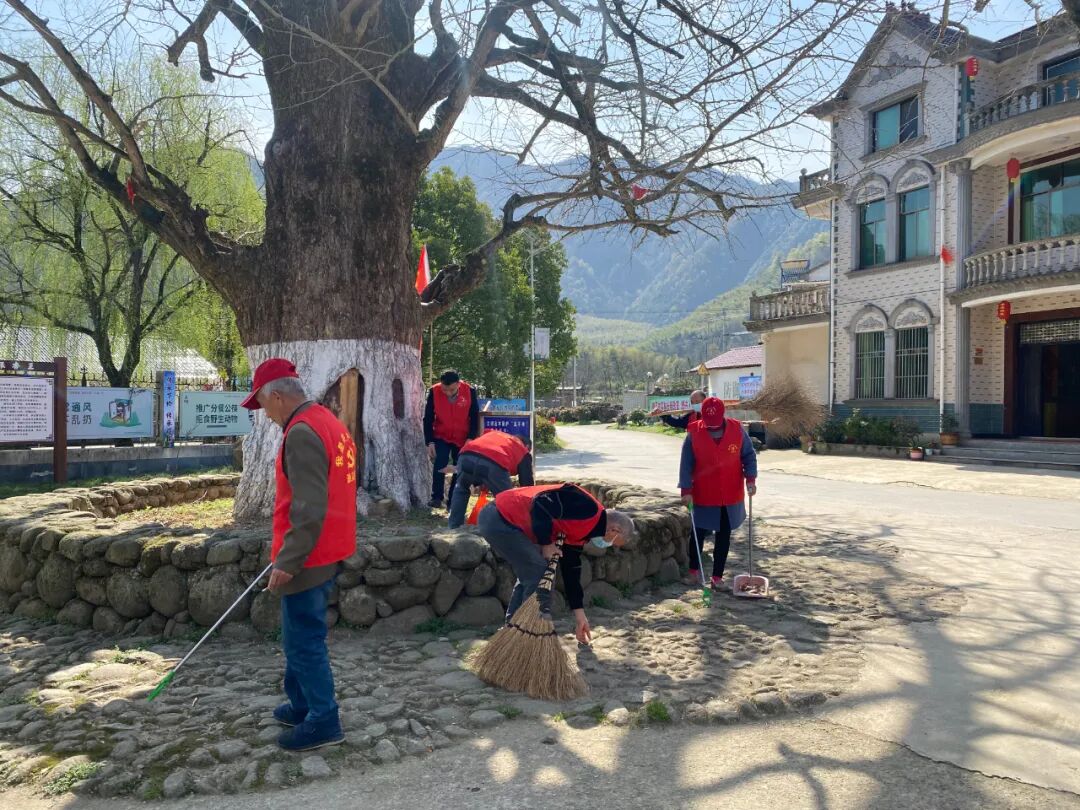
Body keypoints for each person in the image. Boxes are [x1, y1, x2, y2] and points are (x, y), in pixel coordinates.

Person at [242, 358, 358, 752]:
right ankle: (303, 703)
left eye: (262, 406)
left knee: (303, 641)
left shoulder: (303, 432)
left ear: (276, 396)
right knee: (300, 635)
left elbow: (309, 507)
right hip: (330, 545)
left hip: (310, 554)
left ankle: (324, 719)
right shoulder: (328, 422)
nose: (265, 416)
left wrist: (288, 561)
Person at [476, 483, 635, 644]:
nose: (610, 546)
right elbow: (541, 503)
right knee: (537, 570)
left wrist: (580, 617)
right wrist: (546, 543)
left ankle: (513, 630)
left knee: (532, 573)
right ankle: (526, 632)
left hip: (505, 521)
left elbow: (571, 571)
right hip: (499, 517)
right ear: (614, 530)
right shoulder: (587, 508)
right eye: (614, 543)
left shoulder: (583, 533)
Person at [677, 396, 757, 591]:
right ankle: (694, 572)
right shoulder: (694, 432)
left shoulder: (737, 430)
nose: (712, 427)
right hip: (704, 492)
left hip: (730, 493)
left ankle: (717, 577)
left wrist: (751, 479)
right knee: (698, 533)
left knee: (724, 535)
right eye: (708, 422)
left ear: (723, 415)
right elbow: (686, 464)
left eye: (715, 422)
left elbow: (749, 455)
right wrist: (686, 490)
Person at [446, 430, 535, 529]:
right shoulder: (522, 450)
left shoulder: (494, 434)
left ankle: (454, 527)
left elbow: (482, 455)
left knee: (461, 489)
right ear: (527, 447)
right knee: (506, 499)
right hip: (494, 462)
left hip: (466, 455)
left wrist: (485, 481)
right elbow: (528, 487)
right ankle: (509, 530)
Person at [423, 369, 480, 508]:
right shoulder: (434, 391)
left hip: (462, 436)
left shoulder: (470, 391)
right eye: (445, 389)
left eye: (452, 390)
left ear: (458, 384)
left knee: (458, 466)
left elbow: (474, 416)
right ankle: (436, 497)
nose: (448, 392)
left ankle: (453, 501)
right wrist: (429, 441)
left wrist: (471, 437)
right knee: (440, 461)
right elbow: (428, 418)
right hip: (441, 434)